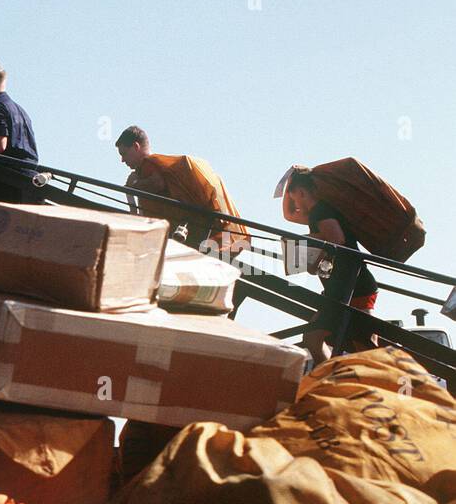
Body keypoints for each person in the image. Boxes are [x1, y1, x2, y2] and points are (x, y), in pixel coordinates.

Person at [282, 167, 379, 365]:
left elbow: (338, 239)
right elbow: (289, 215)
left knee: (356, 344)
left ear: (302, 193)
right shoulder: (318, 212)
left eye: (295, 198)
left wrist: (314, 263)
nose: (295, 204)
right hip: (344, 287)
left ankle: (334, 379)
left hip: (352, 287)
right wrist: (288, 183)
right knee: (355, 343)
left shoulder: (321, 212)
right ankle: (335, 379)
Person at [115, 125, 249, 256]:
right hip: (194, 226)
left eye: (124, 153)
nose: (122, 160)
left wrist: (134, 185)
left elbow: (157, 184)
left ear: (136, 147)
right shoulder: (146, 169)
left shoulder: (148, 164)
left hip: (179, 230)